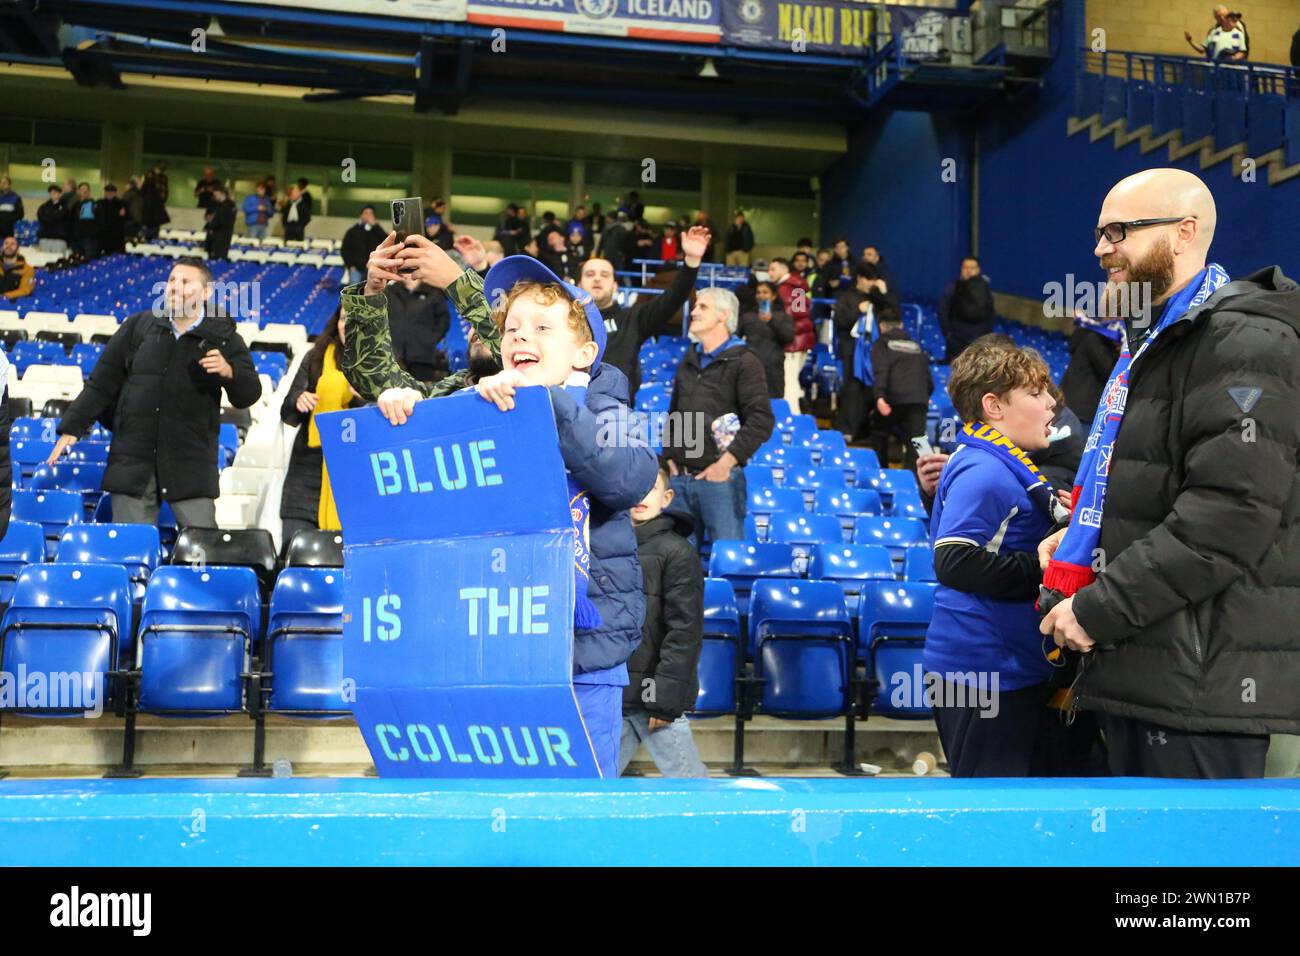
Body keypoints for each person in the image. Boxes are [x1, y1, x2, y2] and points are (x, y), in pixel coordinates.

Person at [351, 233, 658, 781]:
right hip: (483, 652)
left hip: (580, 655)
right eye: (512, 330)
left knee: (575, 823)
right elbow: (388, 391)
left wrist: (546, 401)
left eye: (542, 329)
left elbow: (628, 477)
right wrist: (398, 411)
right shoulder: (478, 400)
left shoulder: (603, 399)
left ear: (584, 354)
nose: (521, 337)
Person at [1038, 167, 1300, 779]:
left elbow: (1227, 516)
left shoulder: (1243, 341)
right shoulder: (1155, 340)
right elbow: (1153, 491)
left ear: (1185, 233)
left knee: (1194, 875)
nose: (1101, 249)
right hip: (1152, 670)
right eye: (1101, 233)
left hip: (1203, 689)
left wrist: (1096, 609)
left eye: (1119, 231)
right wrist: (1087, 535)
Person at [925, 340, 1069, 777]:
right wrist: (1046, 568)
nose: (1051, 405)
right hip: (985, 671)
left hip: (999, 666)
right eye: (1036, 393)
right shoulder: (985, 470)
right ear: (993, 406)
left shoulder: (994, 461)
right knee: (991, 814)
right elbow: (954, 560)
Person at [47, 258, 262, 527]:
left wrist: (229, 372)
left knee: (202, 549)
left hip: (190, 463)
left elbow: (249, 394)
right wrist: (73, 426)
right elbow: (103, 381)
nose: (175, 287)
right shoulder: (139, 326)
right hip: (133, 461)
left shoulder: (225, 336)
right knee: (130, 550)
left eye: (185, 282)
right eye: (171, 281)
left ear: (206, 292)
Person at [661, 287, 774, 546]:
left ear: (724, 315)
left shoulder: (745, 360)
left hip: (719, 482)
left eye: (703, 307)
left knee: (729, 560)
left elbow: (762, 419)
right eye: (696, 306)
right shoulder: (689, 359)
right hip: (679, 480)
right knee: (678, 569)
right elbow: (675, 413)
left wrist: (725, 464)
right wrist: (669, 458)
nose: (695, 311)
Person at [619, 465, 708, 777]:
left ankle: (715, 826)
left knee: (691, 791)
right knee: (590, 787)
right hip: (615, 693)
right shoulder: (609, 548)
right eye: (635, 486)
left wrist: (663, 698)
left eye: (651, 488)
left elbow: (684, 632)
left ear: (667, 497)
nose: (641, 496)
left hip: (650, 694)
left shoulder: (678, 553)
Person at [338, 233, 501, 402]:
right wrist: (370, 295)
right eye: (474, 324)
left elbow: (500, 344)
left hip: (422, 358)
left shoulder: (528, 389)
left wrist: (456, 280)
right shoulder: (452, 392)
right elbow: (372, 377)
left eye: (511, 327)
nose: (477, 330)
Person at [578, 224, 709, 402]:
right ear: (578, 284)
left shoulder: (632, 318)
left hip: (615, 417)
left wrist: (691, 262)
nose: (597, 278)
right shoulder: (565, 322)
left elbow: (672, 299)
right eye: (590, 274)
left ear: (615, 285)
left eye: (605, 274)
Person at [279, 306, 364, 557]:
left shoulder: (382, 367)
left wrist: (358, 399)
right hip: (305, 475)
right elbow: (287, 411)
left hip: (353, 476)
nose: (347, 325)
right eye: (344, 318)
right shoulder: (314, 357)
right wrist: (299, 400)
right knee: (295, 557)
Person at [832, 262, 894, 441]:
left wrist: (884, 293)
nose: (871, 283)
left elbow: (892, 315)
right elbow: (840, 321)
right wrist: (857, 311)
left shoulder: (878, 298)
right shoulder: (846, 297)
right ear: (859, 278)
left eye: (874, 279)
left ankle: (865, 431)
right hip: (852, 351)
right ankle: (847, 430)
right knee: (852, 390)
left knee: (872, 391)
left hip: (875, 352)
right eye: (868, 279)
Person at [868, 307, 933, 473]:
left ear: (881, 326)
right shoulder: (915, 345)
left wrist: (879, 396)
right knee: (919, 442)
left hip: (893, 399)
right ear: (901, 325)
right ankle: (917, 482)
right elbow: (927, 376)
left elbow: (881, 371)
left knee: (879, 433)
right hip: (918, 398)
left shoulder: (882, 344)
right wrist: (926, 395)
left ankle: (881, 472)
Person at [384, 268, 452, 383]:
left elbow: (443, 321)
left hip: (423, 356)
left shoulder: (434, 292)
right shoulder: (390, 291)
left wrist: (429, 339)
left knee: (422, 394)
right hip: (395, 355)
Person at [766, 256, 815, 409]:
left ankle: (792, 420)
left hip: (792, 345)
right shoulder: (798, 286)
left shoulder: (787, 288)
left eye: (773, 269)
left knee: (789, 384)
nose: (770, 273)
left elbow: (796, 317)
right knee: (792, 382)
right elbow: (801, 314)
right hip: (800, 343)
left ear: (784, 269)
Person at [1059, 312, 1123, 422]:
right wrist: (1122, 352)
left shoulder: (1089, 335)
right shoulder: (1095, 339)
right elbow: (1111, 373)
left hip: (1075, 409)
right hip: (1080, 412)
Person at [738, 280, 795, 399]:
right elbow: (735, 338)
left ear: (773, 296)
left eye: (765, 292)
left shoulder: (783, 317)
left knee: (773, 405)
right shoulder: (747, 316)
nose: (761, 295)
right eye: (758, 292)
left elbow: (789, 338)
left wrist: (771, 321)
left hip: (773, 370)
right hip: (750, 368)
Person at [938, 256, 995, 361]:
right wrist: (949, 334)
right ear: (961, 269)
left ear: (978, 270)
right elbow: (943, 311)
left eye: (972, 268)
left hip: (979, 340)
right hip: (957, 339)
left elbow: (990, 313)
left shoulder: (985, 290)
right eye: (965, 267)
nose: (968, 271)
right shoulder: (953, 288)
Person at [341, 205, 384, 286]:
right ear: (361, 216)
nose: (368, 215)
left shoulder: (377, 231)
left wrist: (375, 226)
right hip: (356, 270)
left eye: (371, 214)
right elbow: (344, 250)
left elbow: (386, 242)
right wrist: (350, 266)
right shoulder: (352, 231)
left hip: (374, 269)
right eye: (366, 213)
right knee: (355, 293)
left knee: (372, 294)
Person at [203, 185, 236, 261]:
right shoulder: (214, 204)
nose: (215, 197)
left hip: (223, 235)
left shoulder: (229, 205)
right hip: (213, 235)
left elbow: (225, 221)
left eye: (216, 195)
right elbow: (207, 215)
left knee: (220, 255)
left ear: (222, 193)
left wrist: (214, 220)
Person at [140, 160, 170, 242]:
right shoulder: (150, 176)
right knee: (150, 230)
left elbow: (165, 192)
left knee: (153, 231)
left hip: (155, 207)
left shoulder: (162, 177)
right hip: (151, 208)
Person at [95, 183, 127, 256]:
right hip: (102, 237)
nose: (109, 194)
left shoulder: (121, 203)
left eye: (111, 192)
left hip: (116, 237)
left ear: (115, 193)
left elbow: (128, 218)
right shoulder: (99, 203)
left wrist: (124, 215)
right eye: (107, 192)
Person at [36, 185, 69, 255]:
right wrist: (52, 217)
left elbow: (60, 216)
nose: (52, 194)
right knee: (44, 258)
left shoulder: (65, 206)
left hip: (59, 238)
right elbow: (40, 217)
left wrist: (49, 217)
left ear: (60, 194)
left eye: (55, 192)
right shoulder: (44, 206)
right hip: (45, 237)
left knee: (57, 258)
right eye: (51, 193)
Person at [0, 237, 35, 302]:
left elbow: (26, 290)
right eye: (6, 243)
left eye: (12, 244)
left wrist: (4, 296)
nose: (8, 246)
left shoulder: (27, 269)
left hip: (13, 307)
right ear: (2, 248)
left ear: (18, 249)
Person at [70, 183, 100, 259]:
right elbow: (71, 221)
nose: (84, 192)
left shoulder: (94, 204)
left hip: (89, 239)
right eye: (82, 190)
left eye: (86, 190)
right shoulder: (75, 205)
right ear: (78, 191)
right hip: (76, 238)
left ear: (89, 191)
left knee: (89, 260)